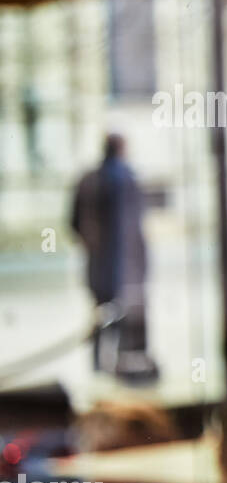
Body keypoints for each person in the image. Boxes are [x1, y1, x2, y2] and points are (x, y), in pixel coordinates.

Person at [71, 133, 156, 381]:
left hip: (103, 267)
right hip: (121, 268)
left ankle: (103, 370)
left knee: (106, 317)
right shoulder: (126, 179)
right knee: (114, 318)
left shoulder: (93, 180)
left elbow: (76, 222)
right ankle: (112, 371)